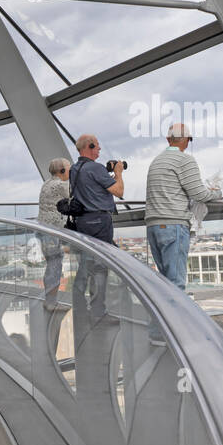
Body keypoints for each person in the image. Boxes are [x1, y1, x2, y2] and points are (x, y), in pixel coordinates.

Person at [145, 123, 222, 340]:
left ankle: (157, 329)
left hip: (154, 225)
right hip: (173, 224)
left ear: (168, 139)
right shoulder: (184, 160)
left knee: (165, 283)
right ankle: (174, 334)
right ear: (186, 140)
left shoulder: (156, 161)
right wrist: (216, 193)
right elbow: (199, 193)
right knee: (176, 283)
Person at [69, 134, 124, 322]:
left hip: (82, 222)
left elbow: (91, 187)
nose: (100, 149)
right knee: (100, 267)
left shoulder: (75, 168)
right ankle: (98, 311)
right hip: (99, 221)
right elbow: (119, 191)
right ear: (90, 146)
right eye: (98, 146)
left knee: (85, 265)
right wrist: (118, 173)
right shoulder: (95, 168)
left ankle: (79, 306)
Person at [36, 158, 70, 310]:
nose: (71, 172)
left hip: (44, 229)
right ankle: (51, 303)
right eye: (69, 169)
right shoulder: (59, 185)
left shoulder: (47, 183)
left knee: (52, 264)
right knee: (54, 265)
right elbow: (75, 194)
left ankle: (49, 300)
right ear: (62, 171)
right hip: (51, 231)